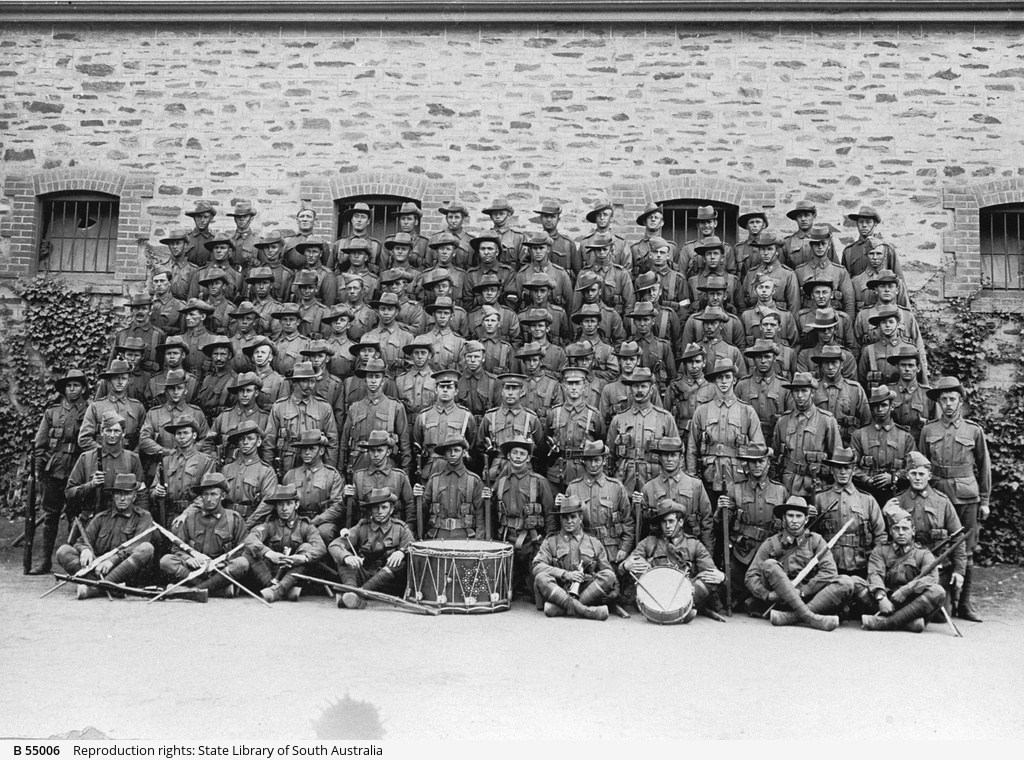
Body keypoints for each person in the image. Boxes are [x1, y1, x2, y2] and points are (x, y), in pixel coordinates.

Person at [917, 376, 991, 622]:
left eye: (952, 399)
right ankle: (943, 602)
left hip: (966, 497)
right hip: (938, 495)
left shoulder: (973, 430)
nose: (948, 404)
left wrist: (985, 500)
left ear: (960, 401)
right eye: (944, 399)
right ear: (938, 402)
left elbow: (984, 465)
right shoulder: (929, 430)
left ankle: (965, 604)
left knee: (966, 550)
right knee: (938, 546)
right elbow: (922, 465)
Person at [744, 496, 855, 630]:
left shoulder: (816, 541)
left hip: (808, 598)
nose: (794, 520)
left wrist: (802, 591)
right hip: (781, 600)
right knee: (770, 565)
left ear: (806, 519)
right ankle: (811, 618)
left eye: (799, 516)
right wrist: (767, 595)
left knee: (846, 582)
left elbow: (829, 571)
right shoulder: (771, 543)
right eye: (790, 516)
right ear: (784, 518)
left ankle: (791, 617)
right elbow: (751, 576)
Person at [54, 473, 156, 599]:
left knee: (146, 548)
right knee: (63, 551)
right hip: (98, 569)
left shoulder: (144, 517)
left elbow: (138, 545)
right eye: (118, 494)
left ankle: (94, 588)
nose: (122, 498)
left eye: (127, 494)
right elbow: (81, 542)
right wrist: (85, 549)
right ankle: (112, 587)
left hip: (125, 571)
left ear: (134, 497)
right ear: (113, 496)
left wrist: (112, 560)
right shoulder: (101, 518)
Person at [813, 447, 887, 616]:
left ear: (853, 470)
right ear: (832, 470)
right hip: (830, 567)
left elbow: (881, 536)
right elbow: (811, 537)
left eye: (847, 467)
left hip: (860, 566)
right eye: (838, 467)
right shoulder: (820, 498)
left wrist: (875, 567)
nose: (843, 472)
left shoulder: (867, 500)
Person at [623, 500, 724, 622]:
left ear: (680, 522)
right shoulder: (649, 542)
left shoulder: (694, 544)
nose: (667, 526)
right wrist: (626, 565)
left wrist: (721, 576)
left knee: (709, 578)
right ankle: (677, 612)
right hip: (657, 591)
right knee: (639, 567)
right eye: (664, 522)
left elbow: (710, 569)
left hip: (685, 592)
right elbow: (629, 562)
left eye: (671, 521)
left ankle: (679, 608)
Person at [29, 368, 89, 574]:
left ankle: (72, 560)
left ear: (83, 388)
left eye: (76, 385)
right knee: (51, 515)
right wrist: (37, 471)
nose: (72, 389)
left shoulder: (90, 410)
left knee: (76, 514)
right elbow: (40, 444)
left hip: (79, 468)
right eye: (68, 386)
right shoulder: (52, 412)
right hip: (54, 469)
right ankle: (45, 560)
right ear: (63, 389)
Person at [685, 358, 763, 506]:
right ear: (714, 381)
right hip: (709, 478)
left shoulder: (747, 411)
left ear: (734, 380)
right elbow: (692, 449)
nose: (723, 381)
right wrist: (692, 478)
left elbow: (758, 449)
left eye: (727, 377)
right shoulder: (702, 411)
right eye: (719, 377)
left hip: (739, 479)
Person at [720, 443, 787, 609]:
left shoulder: (780, 491)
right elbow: (722, 524)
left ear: (768, 463)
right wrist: (721, 509)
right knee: (732, 586)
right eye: (753, 462)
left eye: (761, 461)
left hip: (770, 552)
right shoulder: (735, 489)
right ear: (747, 464)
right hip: (742, 551)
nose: (757, 465)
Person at [159, 473, 250, 596]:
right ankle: (218, 590)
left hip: (219, 570)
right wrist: (189, 559)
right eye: (205, 494)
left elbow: (242, 549)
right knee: (166, 561)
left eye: (213, 494)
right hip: (195, 570)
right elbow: (177, 547)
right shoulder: (190, 518)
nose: (208, 499)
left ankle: (191, 591)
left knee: (242, 563)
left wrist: (224, 563)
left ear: (222, 496)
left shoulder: (234, 518)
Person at [487, 436, 556, 596]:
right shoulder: (501, 481)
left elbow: (550, 515)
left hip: (531, 543)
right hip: (506, 541)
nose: (518, 457)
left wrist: (548, 544)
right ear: (508, 456)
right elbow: (493, 513)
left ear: (528, 458)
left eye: (522, 453)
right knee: (499, 591)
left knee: (538, 594)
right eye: (514, 453)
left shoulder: (539, 482)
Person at [860, 506, 945, 632]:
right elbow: (875, 574)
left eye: (905, 529)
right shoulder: (880, 550)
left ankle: (884, 623)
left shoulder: (923, 554)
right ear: (890, 531)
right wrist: (881, 597)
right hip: (886, 602)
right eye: (896, 528)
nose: (900, 532)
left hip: (912, 603)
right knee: (856, 582)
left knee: (938, 591)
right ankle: (908, 624)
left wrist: (907, 590)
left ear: (913, 531)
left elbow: (931, 578)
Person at [532, 495, 617, 620]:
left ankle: (561, 609)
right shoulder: (550, 541)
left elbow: (608, 572)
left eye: (573, 517)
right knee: (541, 577)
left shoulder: (593, 542)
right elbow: (537, 566)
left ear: (581, 518)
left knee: (609, 576)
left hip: (586, 589)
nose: (569, 521)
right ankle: (586, 611)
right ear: (560, 519)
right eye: (565, 517)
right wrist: (565, 574)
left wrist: (614, 592)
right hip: (559, 588)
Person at [327, 488, 414, 608]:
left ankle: (356, 595)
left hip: (387, 581)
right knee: (343, 559)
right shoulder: (362, 527)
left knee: (399, 562)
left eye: (384, 507)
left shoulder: (400, 528)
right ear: (370, 510)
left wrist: (401, 552)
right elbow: (334, 545)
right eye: (375, 508)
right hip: (365, 575)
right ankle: (351, 591)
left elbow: (411, 545)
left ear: (392, 509)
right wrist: (347, 557)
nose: (379, 512)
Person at [244, 483, 326, 603]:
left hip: (293, 572)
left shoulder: (305, 526)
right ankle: (284, 589)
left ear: (296, 505)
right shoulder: (269, 525)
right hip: (270, 574)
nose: (284, 508)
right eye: (280, 504)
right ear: (276, 506)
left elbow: (320, 547)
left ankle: (278, 590)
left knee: (307, 548)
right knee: (250, 551)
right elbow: (250, 539)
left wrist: (302, 558)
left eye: (289, 504)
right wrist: (269, 553)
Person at [607, 367, 680, 494]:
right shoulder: (619, 419)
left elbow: (677, 454)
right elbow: (609, 457)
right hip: (625, 482)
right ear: (630, 389)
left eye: (643, 386)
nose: (639, 390)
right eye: (635, 386)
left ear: (652, 389)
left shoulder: (665, 418)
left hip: (656, 483)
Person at [262, 361, 340, 476]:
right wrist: (269, 471)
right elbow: (269, 441)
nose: (310, 386)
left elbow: (332, 442)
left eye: (312, 381)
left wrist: (329, 471)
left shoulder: (324, 407)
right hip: (287, 464)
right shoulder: (279, 407)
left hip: (315, 464)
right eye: (305, 381)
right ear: (294, 383)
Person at [338, 357, 411, 478]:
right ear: (365, 380)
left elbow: (405, 446)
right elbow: (344, 443)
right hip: (359, 465)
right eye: (370, 377)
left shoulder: (395, 407)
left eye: (377, 377)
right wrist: (341, 471)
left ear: (383, 380)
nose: (373, 381)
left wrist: (405, 473)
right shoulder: (354, 408)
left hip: (387, 468)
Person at [564, 439, 634, 566]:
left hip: (611, 550)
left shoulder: (616, 487)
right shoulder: (573, 488)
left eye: (597, 460)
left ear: (604, 461)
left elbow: (627, 521)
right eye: (589, 460)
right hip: (582, 549)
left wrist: (624, 548)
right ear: (583, 462)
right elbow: (565, 524)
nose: (593, 464)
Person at [772, 372, 841, 499]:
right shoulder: (783, 421)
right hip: (788, 484)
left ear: (813, 393)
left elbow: (837, 458)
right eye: (796, 391)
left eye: (804, 391)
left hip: (816, 485)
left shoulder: (826, 420)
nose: (799, 395)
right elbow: (774, 455)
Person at [66, 411, 148, 518]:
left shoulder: (132, 459)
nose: (112, 435)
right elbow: (69, 492)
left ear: (123, 433)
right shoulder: (86, 458)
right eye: (108, 430)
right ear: (101, 431)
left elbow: (141, 495)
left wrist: (140, 519)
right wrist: (91, 485)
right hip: (91, 519)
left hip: (122, 519)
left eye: (116, 431)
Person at [639, 436, 713, 550]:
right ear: (660, 458)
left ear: (681, 458)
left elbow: (706, 521)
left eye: (673, 455)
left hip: (690, 548)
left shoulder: (695, 485)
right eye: (665, 455)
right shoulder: (648, 487)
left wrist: (708, 553)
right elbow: (642, 527)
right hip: (659, 550)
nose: (669, 459)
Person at [851, 385, 917, 506]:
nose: (880, 409)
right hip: (866, 494)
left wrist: (894, 477)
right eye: (876, 406)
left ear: (892, 406)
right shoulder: (859, 434)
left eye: (884, 405)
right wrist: (866, 479)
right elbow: (851, 466)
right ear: (871, 409)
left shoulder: (905, 436)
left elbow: (913, 466)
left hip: (896, 493)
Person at [545, 368, 605, 493]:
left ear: (584, 387)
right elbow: (546, 442)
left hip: (584, 473)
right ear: (564, 386)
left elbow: (601, 442)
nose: (573, 387)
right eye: (570, 383)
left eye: (577, 383)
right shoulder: (554, 413)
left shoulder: (593, 415)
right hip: (557, 474)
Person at [475, 373, 543, 482]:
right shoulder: (490, 416)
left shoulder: (531, 418)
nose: (510, 393)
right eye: (507, 388)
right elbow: (480, 446)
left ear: (522, 392)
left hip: (524, 471)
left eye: (515, 388)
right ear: (502, 391)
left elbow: (540, 448)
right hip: (496, 471)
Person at [414, 437, 485, 540]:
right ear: (444, 454)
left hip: (466, 536)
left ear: (464, 452)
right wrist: (418, 496)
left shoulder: (474, 480)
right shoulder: (434, 479)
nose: (452, 454)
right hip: (438, 535)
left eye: (456, 450)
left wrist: (479, 542)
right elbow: (424, 510)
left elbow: (480, 516)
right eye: (449, 450)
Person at [412, 369, 477, 483]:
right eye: (442, 387)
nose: (445, 390)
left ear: (456, 391)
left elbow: (471, 444)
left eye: (449, 387)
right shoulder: (424, 416)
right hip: (431, 469)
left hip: (456, 468)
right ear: (436, 390)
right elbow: (418, 441)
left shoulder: (465, 416)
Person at [150, 414, 216, 525]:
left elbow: (208, 494)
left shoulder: (205, 461)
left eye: (186, 433)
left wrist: (186, 513)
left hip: (196, 517)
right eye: (178, 433)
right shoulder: (166, 461)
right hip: (168, 516)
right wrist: (156, 492)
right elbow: (152, 492)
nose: (182, 437)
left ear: (194, 435)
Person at [346, 430, 415, 529]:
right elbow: (352, 508)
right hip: (367, 530)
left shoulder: (399, 476)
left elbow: (410, 506)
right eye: (372, 451)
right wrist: (346, 497)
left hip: (394, 530)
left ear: (388, 452)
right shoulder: (359, 476)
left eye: (379, 450)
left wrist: (408, 529)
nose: (375, 455)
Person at [204, 372, 270, 467]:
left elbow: (267, 449)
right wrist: (215, 459)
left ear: (256, 393)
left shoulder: (264, 418)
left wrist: (262, 468)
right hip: (225, 467)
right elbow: (208, 442)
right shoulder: (225, 416)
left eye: (248, 391)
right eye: (241, 391)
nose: (244, 395)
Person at [78, 360, 146, 452]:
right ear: (109, 380)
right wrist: (104, 452)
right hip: (102, 457)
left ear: (129, 380)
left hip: (129, 458)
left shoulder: (137, 407)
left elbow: (145, 437)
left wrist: (133, 455)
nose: (120, 382)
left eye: (124, 378)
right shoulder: (96, 407)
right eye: (116, 378)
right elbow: (84, 439)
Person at [219, 420, 278, 525]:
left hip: (252, 522)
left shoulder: (266, 471)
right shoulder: (226, 469)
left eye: (250, 438)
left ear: (258, 442)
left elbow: (267, 504)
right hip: (226, 521)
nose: (245, 442)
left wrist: (248, 524)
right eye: (242, 439)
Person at [811, 343, 870, 444]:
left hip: (847, 444)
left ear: (842, 365)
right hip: (818, 443)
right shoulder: (813, 388)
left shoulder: (855, 389)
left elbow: (866, 422)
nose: (830, 367)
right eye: (826, 363)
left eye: (834, 363)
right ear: (821, 365)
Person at [736, 339, 789, 445]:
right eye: (759, 357)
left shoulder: (784, 386)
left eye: (767, 357)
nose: (763, 361)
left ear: (774, 358)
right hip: (748, 441)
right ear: (754, 360)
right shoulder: (742, 385)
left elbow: (791, 420)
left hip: (775, 440)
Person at [887, 345, 934, 441]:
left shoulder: (928, 394)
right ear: (897, 367)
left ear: (918, 368)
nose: (907, 369)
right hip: (892, 441)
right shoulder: (888, 391)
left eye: (911, 365)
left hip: (919, 442)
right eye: (903, 365)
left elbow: (936, 424)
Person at [843, 206, 903, 279]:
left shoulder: (886, 249)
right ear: (857, 224)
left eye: (868, 222)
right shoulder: (849, 251)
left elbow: (899, 280)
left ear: (875, 224)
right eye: (861, 222)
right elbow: (844, 280)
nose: (864, 225)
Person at [576, 200, 628, 270]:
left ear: (611, 218)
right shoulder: (585, 243)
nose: (602, 218)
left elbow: (627, 271)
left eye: (605, 214)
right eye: (598, 215)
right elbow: (578, 270)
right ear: (595, 218)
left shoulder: (621, 243)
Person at [183, 201, 217, 267]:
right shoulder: (186, 238)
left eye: (205, 217)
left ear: (211, 218)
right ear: (194, 218)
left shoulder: (214, 240)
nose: (202, 220)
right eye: (199, 217)